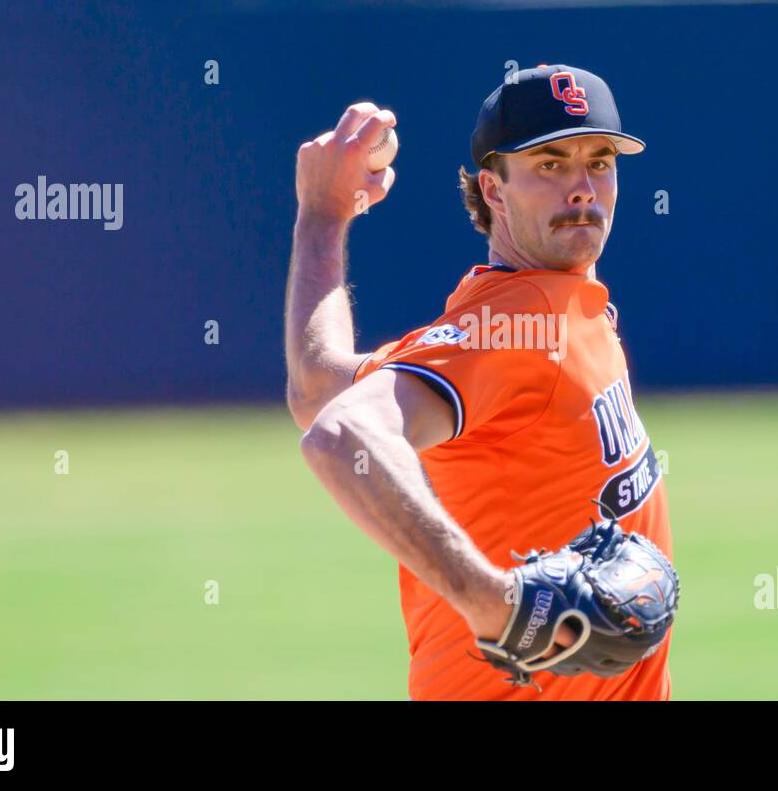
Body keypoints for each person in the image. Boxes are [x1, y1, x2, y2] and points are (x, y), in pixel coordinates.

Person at [285, 64, 673, 700]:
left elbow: (317, 387)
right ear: (493, 191)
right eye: (550, 164)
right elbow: (341, 431)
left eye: (599, 161)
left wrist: (324, 216)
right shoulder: (517, 325)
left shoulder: (562, 305)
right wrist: (492, 602)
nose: (582, 188)